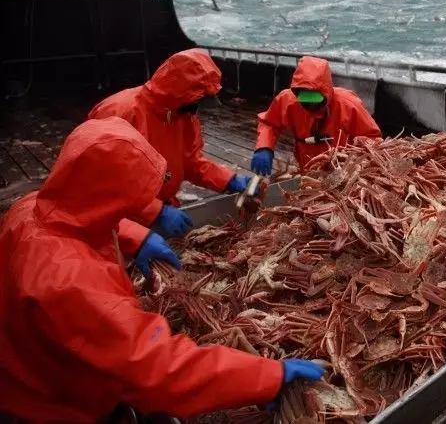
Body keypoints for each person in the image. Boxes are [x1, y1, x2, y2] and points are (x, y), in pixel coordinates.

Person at [0, 117, 324, 421]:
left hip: (27, 365)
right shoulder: (69, 282)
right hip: (57, 404)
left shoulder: (30, 207)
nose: (140, 207)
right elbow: (154, 368)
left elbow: (78, 218)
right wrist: (266, 378)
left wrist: (137, 236)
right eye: (130, 201)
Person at [88, 48, 250, 268]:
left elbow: (190, 162)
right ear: (178, 94)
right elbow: (99, 187)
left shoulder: (183, 114)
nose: (197, 108)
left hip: (162, 212)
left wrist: (229, 179)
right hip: (116, 222)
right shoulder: (119, 112)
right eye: (196, 100)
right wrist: (154, 211)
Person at [251, 56, 381, 175]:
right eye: (306, 102)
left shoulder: (349, 104)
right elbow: (269, 123)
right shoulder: (287, 100)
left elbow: (372, 138)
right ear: (297, 94)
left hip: (343, 170)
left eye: (316, 101)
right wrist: (264, 147)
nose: (311, 106)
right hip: (307, 169)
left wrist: (357, 162)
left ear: (326, 93)